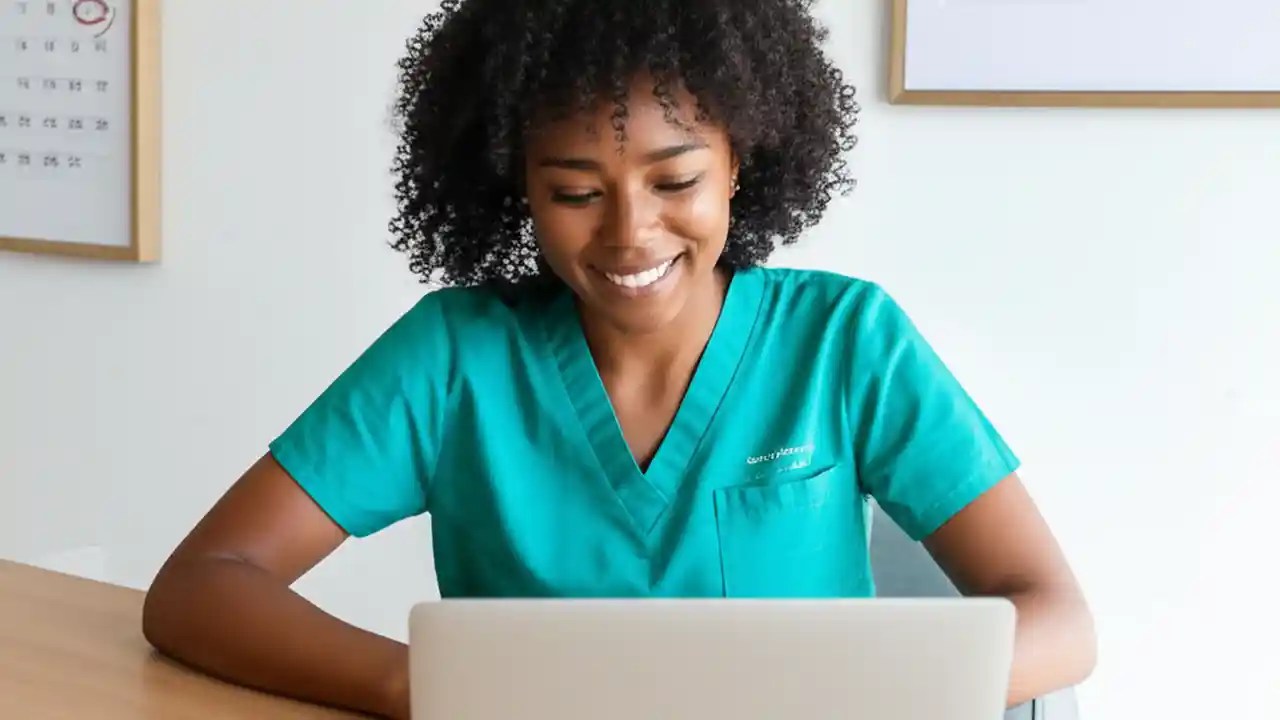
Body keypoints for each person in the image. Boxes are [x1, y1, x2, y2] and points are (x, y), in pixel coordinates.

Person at [141, 1, 1096, 718]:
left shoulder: (845, 341)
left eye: (675, 178)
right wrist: (432, 687)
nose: (631, 233)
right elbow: (201, 586)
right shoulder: (455, 359)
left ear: (741, 164)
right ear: (515, 188)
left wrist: (851, 690)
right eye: (573, 192)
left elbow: (1059, 620)